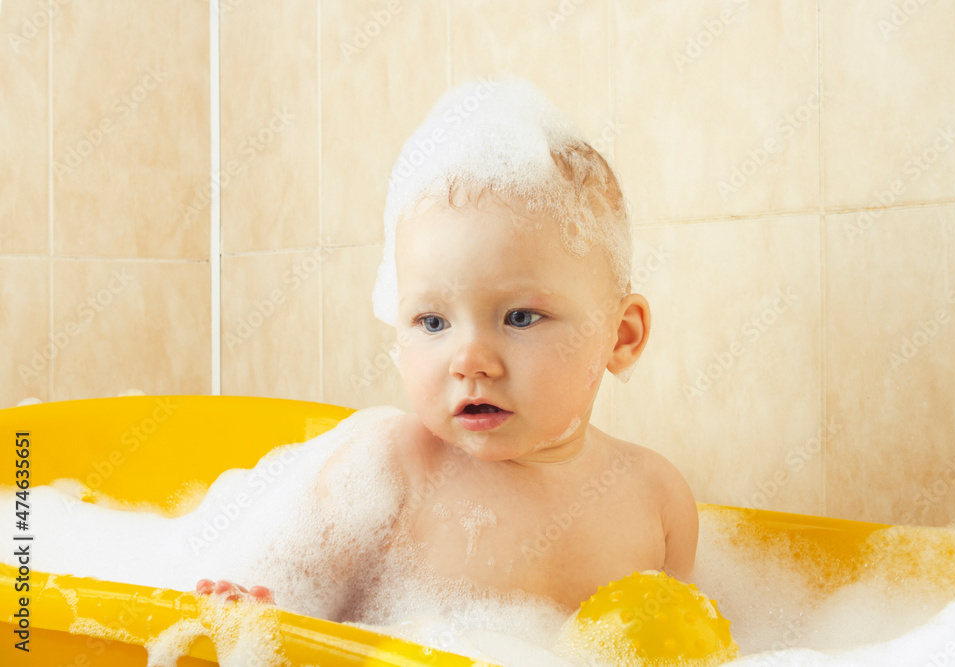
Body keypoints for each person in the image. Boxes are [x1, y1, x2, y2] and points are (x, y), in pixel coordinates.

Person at [198, 78, 697, 621]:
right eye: (433, 321)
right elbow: (288, 610)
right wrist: (254, 614)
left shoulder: (657, 501)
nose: (469, 361)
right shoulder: (389, 472)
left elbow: (690, 641)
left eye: (519, 317)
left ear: (621, 337)